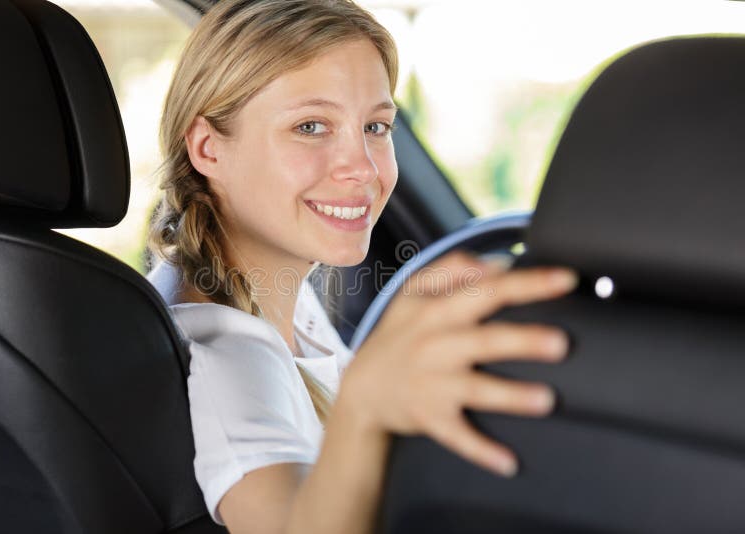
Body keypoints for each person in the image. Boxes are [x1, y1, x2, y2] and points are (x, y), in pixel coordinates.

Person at [147, 0, 577, 532]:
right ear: (208, 149)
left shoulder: (278, 295)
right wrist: (363, 407)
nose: (363, 168)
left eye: (376, 126)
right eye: (310, 126)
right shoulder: (226, 354)